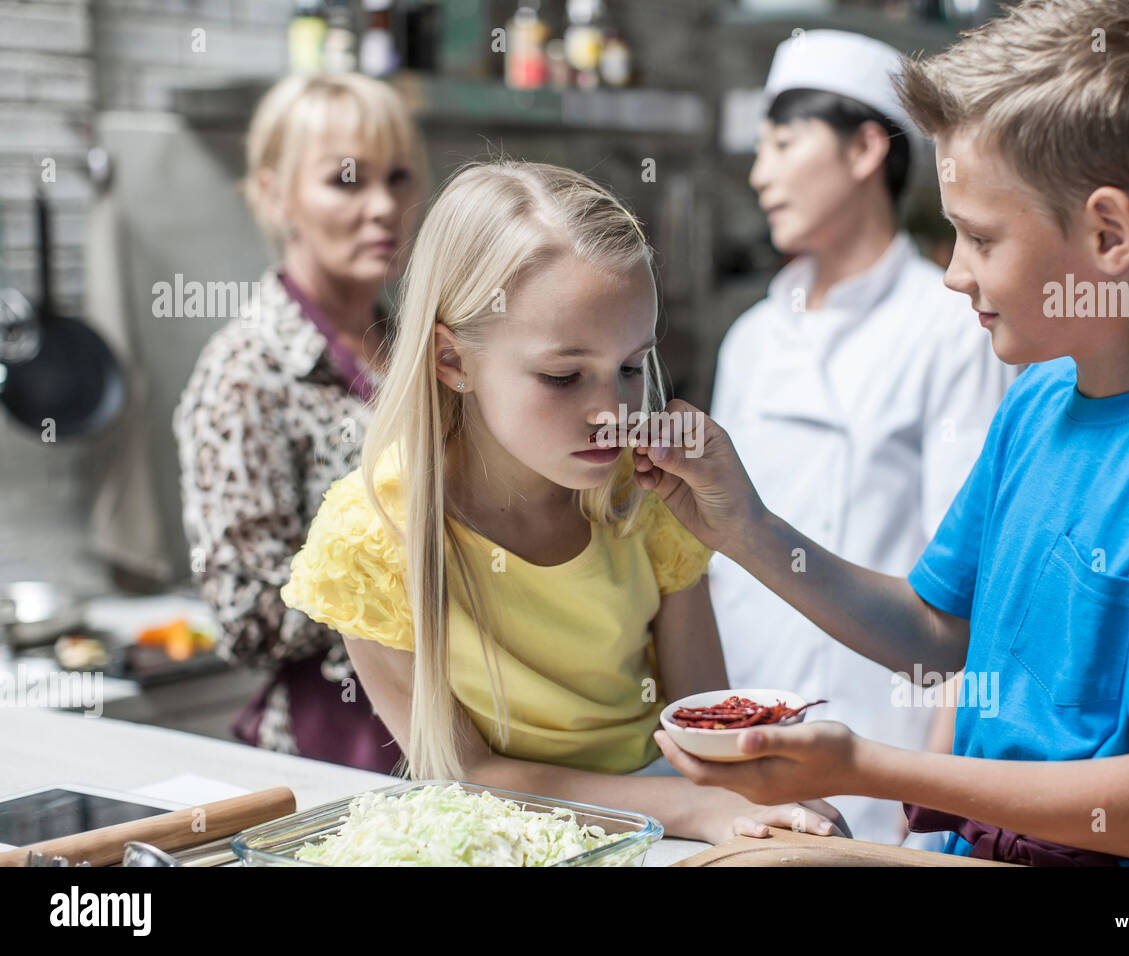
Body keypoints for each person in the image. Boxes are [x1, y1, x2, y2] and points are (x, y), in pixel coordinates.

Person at [632, 0, 1129, 866]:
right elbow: (936, 628)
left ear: (1108, 235)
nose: (954, 273)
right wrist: (745, 529)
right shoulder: (1040, 400)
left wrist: (871, 767)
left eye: (980, 237)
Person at [278, 161, 849, 845]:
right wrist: (696, 810)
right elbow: (464, 772)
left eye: (633, 367)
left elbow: (701, 725)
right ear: (453, 360)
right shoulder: (369, 539)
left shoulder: (648, 497)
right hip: (505, 841)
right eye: (563, 375)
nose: (612, 412)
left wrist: (771, 798)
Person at [709, 29, 1016, 847]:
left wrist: (938, 814)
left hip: (886, 756)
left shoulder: (952, 325)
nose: (759, 173)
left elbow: (968, 594)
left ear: (865, 149)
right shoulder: (751, 338)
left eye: (782, 143)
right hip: (744, 747)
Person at [174, 74, 426, 772]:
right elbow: (245, 614)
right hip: (333, 753)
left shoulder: (426, 348)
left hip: (460, 736)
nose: (384, 207)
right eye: (347, 182)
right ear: (274, 195)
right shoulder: (245, 372)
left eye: (400, 178)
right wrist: (421, 577)